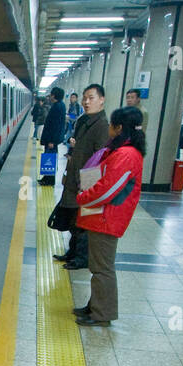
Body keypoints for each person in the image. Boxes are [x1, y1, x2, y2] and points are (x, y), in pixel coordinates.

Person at [72, 106, 145, 326]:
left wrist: (82, 197)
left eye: (112, 126)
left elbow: (108, 189)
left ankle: (102, 314)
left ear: (119, 128)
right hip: (103, 216)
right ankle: (95, 306)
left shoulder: (126, 155)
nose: (109, 130)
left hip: (107, 217)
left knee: (102, 268)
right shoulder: (123, 151)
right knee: (98, 266)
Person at [53, 83, 108, 269]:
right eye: (85, 98)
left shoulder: (101, 125)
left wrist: (88, 185)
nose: (86, 101)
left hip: (87, 179)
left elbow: (100, 158)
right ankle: (72, 252)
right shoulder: (84, 121)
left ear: (102, 100)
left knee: (84, 221)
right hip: (75, 175)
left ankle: (81, 258)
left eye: (91, 98)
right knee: (73, 220)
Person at [39, 86, 67, 184]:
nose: (50, 97)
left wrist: (52, 141)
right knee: (49, 158)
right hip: (52, 139)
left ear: (54, 95)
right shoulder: (60, 105)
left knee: (49, 159)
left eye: (51, 95)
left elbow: (56, 125)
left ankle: (49, 180)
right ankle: (46, 178)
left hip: (51, 140)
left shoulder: (57, 107)